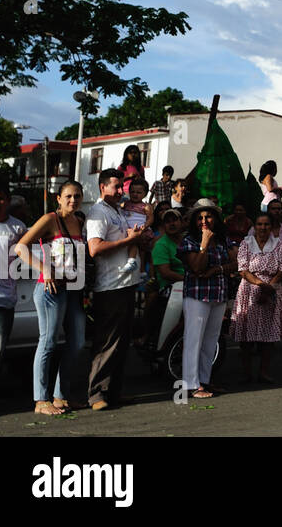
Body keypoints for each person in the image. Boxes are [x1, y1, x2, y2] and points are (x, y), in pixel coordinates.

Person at [14, 181, 88, 416]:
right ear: (59, 198)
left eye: (77, 196)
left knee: (77, 343)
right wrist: (43, 268)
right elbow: (20, 247)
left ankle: (60, 396)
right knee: (48, 342)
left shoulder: (80, 220)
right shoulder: (49, 220)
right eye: (68, 196)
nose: (72, 200)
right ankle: (40, 399)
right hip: (50, 290)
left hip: (75, 290)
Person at [85, 168, 152, 410]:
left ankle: (113, 392)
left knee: (122, 343)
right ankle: (96, 394)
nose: (119, 190)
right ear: (102, 187)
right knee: (107, 341)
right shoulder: (98, 212)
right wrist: (129, 241)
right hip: (110, 286)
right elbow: (94, 248)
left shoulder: (119, 211)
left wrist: (140, 239)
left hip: (127, 283)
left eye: (120, 186)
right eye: (115, 186)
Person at [178, 200, 235, 399]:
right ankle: (190, 385)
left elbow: (235, 263)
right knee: (194, 341)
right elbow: (197, 267)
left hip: (218, 295)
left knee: (211, 341)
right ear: (194, 220)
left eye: (208, 216)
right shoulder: (189, 241)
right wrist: (203, 244)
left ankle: (204, 380)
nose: (204, 220)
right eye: (200, 217)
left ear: (215, 218)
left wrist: (217, 269)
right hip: (197, 296)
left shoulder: (222, 239)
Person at [0, 182, 28, 418]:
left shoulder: (18, 228)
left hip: (3, 300)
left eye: (0, 199)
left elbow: (29, 257)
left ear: (7, 201)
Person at [232, 211, 282, 383]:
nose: (263, 228)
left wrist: (269, 287)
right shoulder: (246, 243)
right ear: (254, 226)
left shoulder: (277, 244)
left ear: (271, 227)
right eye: (259, 224)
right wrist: (261, 285)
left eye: (266, 224)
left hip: (272, 290)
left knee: (268, 337)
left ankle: (263, 372)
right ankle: (247, 372)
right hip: (249, 291)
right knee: (246, 337)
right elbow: (242, 269)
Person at [143, 208, 186, 349]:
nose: (172, 224)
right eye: (167, 222)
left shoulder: (189, 241)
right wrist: (189, 279)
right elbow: (166, 272)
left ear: (182, 222)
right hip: (171, 287)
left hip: (190, 283)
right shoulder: (161, 244)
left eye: (175, 220)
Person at [120, 176, 155, 278]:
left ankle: (141, 268)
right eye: (132, 192)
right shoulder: (125, 204)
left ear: (145, 194)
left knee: (142, 250)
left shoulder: (146, 206)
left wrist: (144, 227)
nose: (135, 194)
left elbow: (151, 218)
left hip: (141, 230)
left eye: (138, 192)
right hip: (130, 230)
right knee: (134, 246)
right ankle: (135, 264)